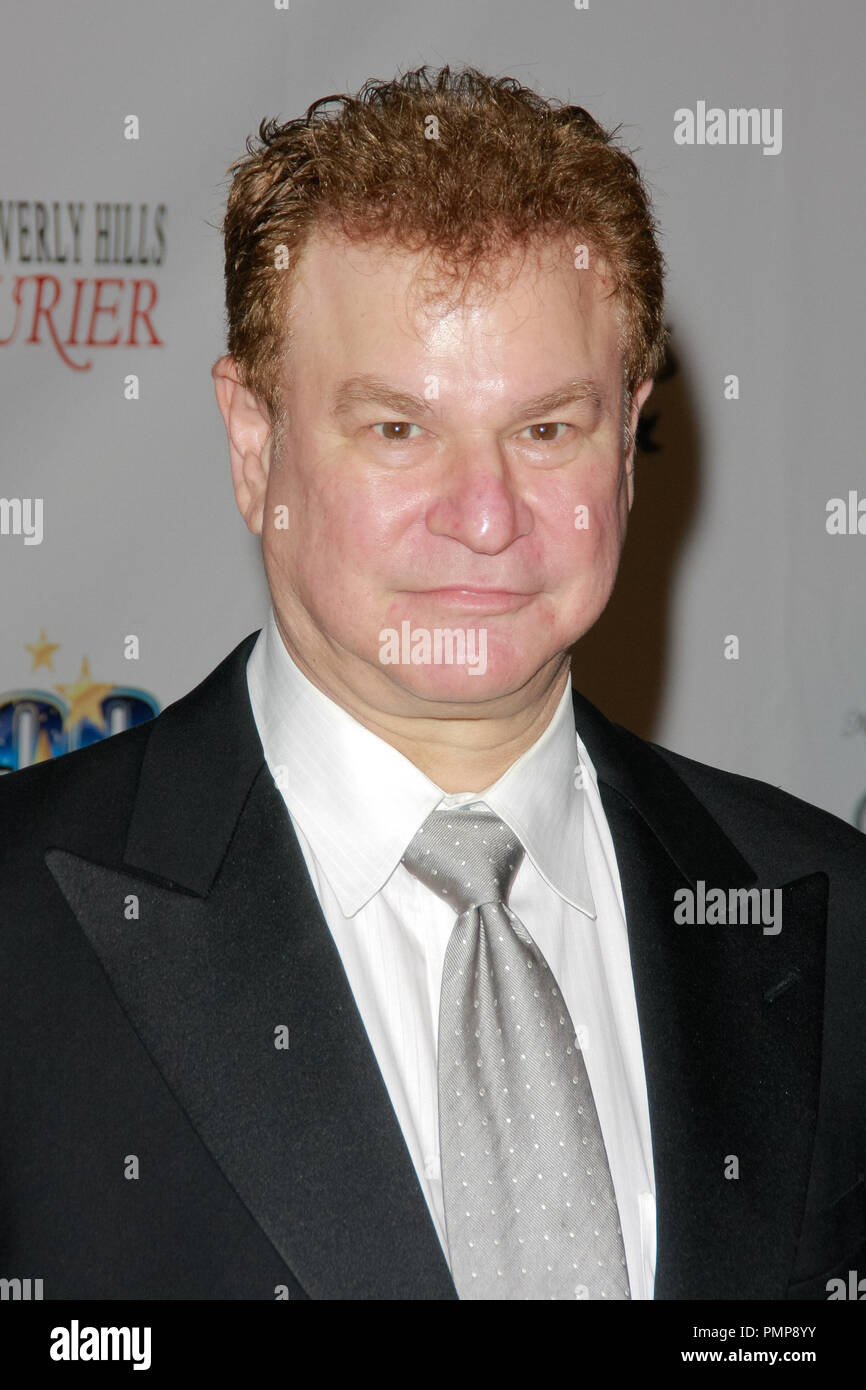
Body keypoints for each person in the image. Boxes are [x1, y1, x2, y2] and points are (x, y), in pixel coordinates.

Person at [1, 64, 864, 1302]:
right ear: (255, 445)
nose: (483, 516)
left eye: (546, 428)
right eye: (398, 429)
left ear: (627, 438)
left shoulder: (828, 915)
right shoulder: (22, 932)